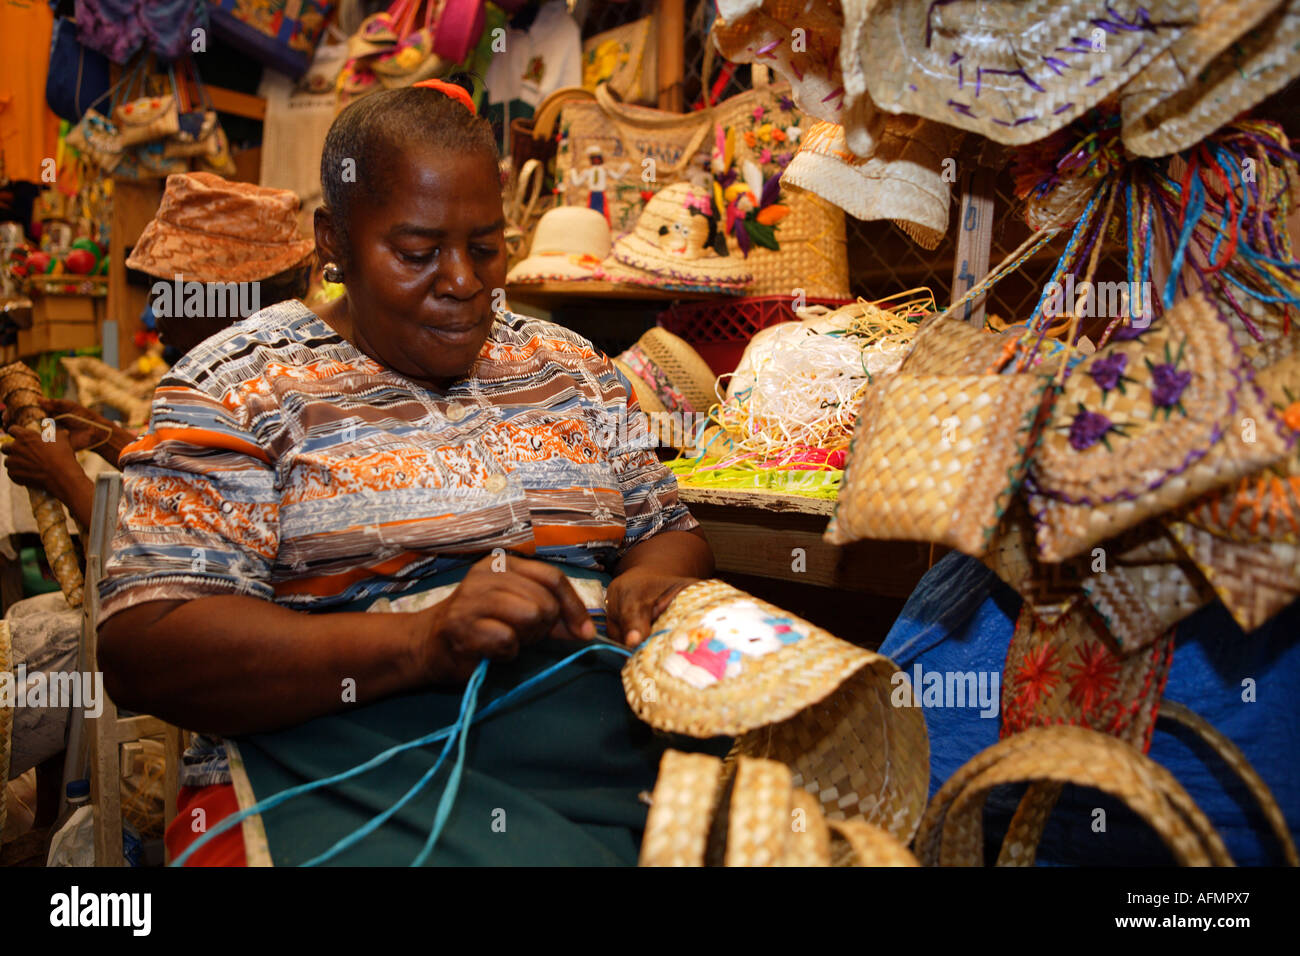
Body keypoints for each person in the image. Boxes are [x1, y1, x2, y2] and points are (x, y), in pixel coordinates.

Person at [96, 80, 717, 866]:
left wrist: (651, 583)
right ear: (334, 240)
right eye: (417, 253)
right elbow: (144, 648)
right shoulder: (239, 388)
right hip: (343, 766)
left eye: (486, 248)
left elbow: (669, 532)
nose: (462, 281)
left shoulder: (569, 367)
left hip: (595, 742)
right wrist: (420, 641)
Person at [0, 173, 314, 831]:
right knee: (42, 626)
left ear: (227, 300)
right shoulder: (261, 367)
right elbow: (196, 492)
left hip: (253, 679)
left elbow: (177, 577)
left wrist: (66, 479)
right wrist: (113, 440)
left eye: (166, 295)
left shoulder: (260, 392)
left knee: (64, 645)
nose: (152, 315)